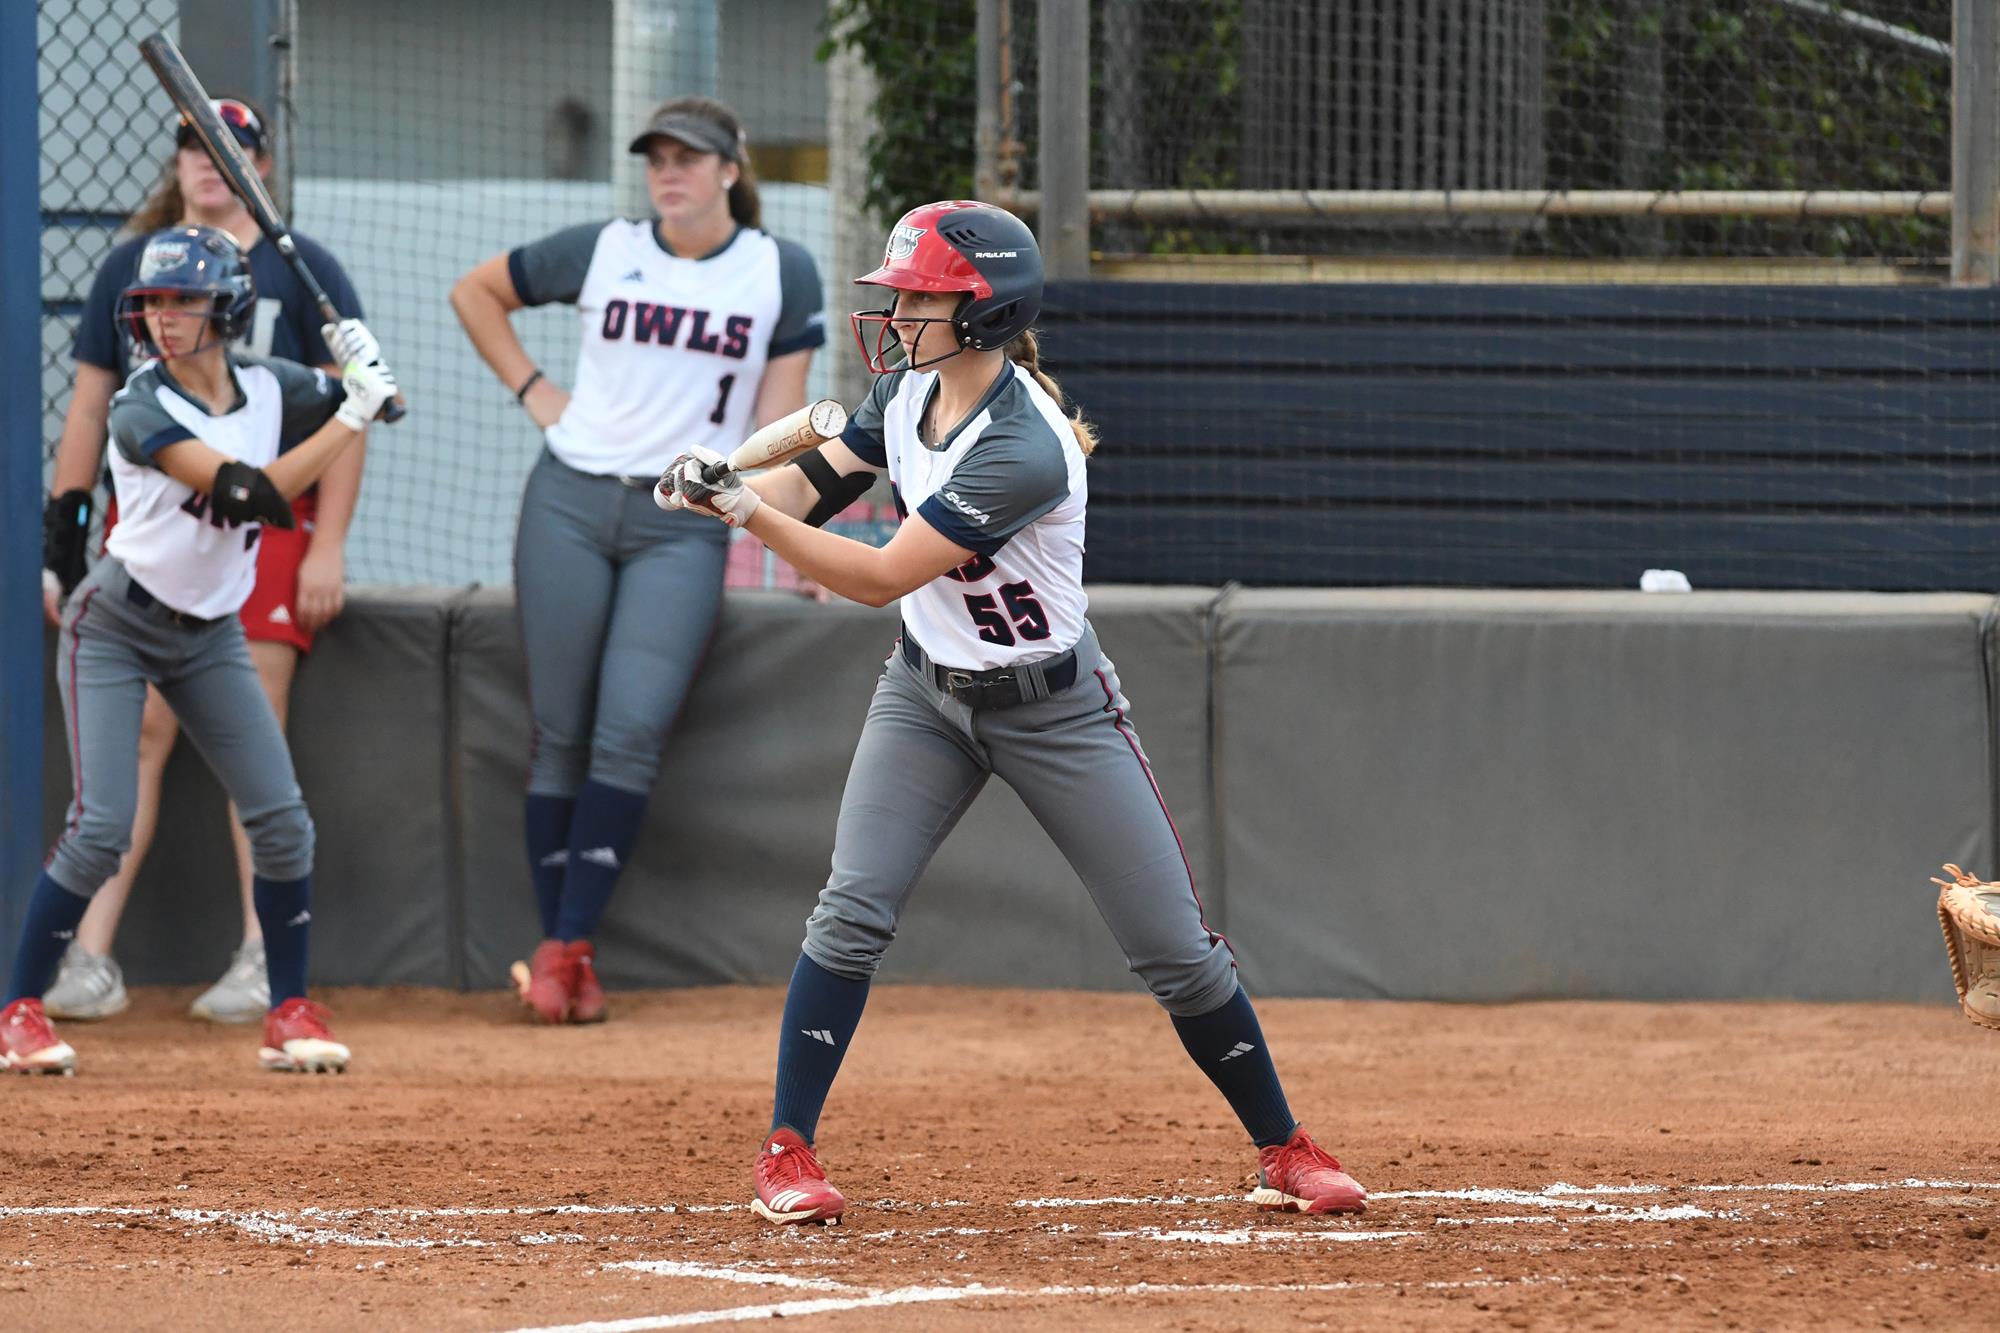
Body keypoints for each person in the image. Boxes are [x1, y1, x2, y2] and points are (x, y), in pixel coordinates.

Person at [659, 200, 1369, 1225]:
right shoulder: (906, 391)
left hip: (1056, 710)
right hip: (926, 695)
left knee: (1174, 949)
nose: (898, 314)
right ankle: (786, 1149)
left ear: (984, 312)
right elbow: (811, 488)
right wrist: (724, 482)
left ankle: (1284, 1147)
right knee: (851, 910)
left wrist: (742, 509)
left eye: (921, 298)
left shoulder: (1022, 446)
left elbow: (876, 577)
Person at [449, 96, 825, 1024]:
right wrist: (538, 394)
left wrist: (801, 538)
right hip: (569, 500)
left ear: (731, 169)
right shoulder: (606, 247)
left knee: (629, 729)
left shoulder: (779, 268)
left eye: (688, 158)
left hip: (683, 517)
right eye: (657, 158)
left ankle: (567, 945)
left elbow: (781, 425)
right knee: (559, 731)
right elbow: (475, 292)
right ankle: (562, 956)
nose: (669, 173)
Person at [1, 226, 395, 1075]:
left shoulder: (271, 385)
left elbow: (367, 402)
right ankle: (18, 1009)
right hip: (116, 624)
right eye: (153, 302)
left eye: (185, 300)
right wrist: (353, 411)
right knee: (100, 828)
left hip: (210, 633)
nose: (165, 316)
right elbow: (250, 494)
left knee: (283, 822)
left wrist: (362, 373)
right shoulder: (140, 404)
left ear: (227, 309)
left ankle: (287, 1010)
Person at [40, 95, 369, 1024]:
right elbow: (90, 408)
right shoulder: (131, 268)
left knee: (253, 722)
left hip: (270, 523)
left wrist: (330, 543)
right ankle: (90, 955)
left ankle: (262, 955)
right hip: (159, 520)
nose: (206, 159)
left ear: (257, 165)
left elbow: (350, 412)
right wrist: (64, 539)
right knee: (142, 730)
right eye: (192, 142)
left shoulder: (303, 268)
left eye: (228, 146)